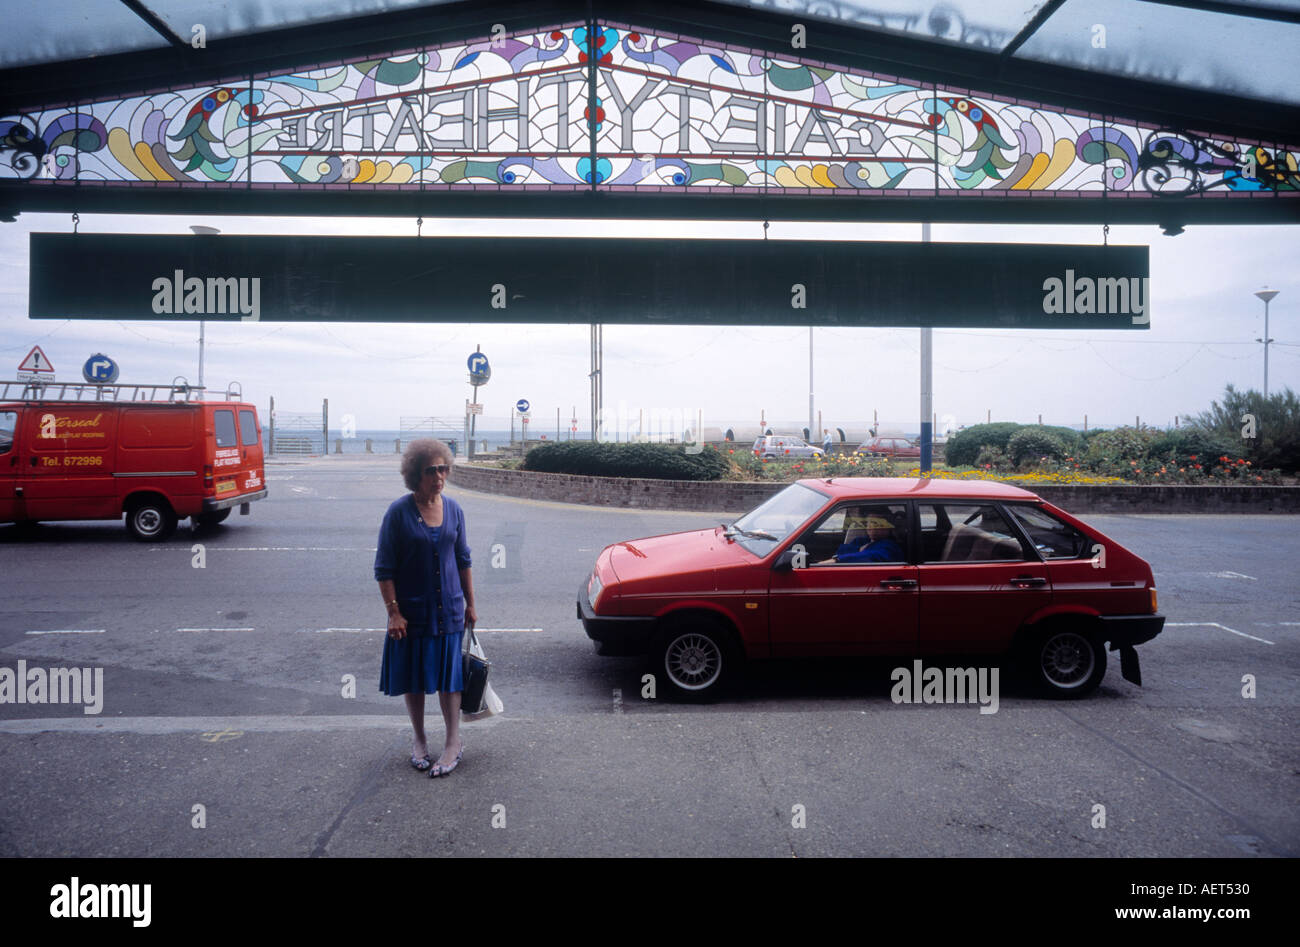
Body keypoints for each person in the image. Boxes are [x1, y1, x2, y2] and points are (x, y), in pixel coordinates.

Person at [375, 438, 477, 778]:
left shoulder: (455, 510)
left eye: (443, 468)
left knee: (451, 680)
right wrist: (394, 612)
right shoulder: (398, 513)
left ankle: (452, 742)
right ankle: (419, 740)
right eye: (431, 470)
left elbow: (463, 559)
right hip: (412, 613)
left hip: (448, 609)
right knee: (414, 679)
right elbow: (384, 568)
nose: (439, 476)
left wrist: (470, 604)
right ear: (414, 475)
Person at [827, 512, 903, 563]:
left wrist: (837, 560)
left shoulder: (890, 546)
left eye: (874, 523)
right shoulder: (861, 540)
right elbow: (841, 551)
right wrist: (858, 549)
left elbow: (871, 556)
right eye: (868, 523)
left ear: (887, 527)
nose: (869, 527)